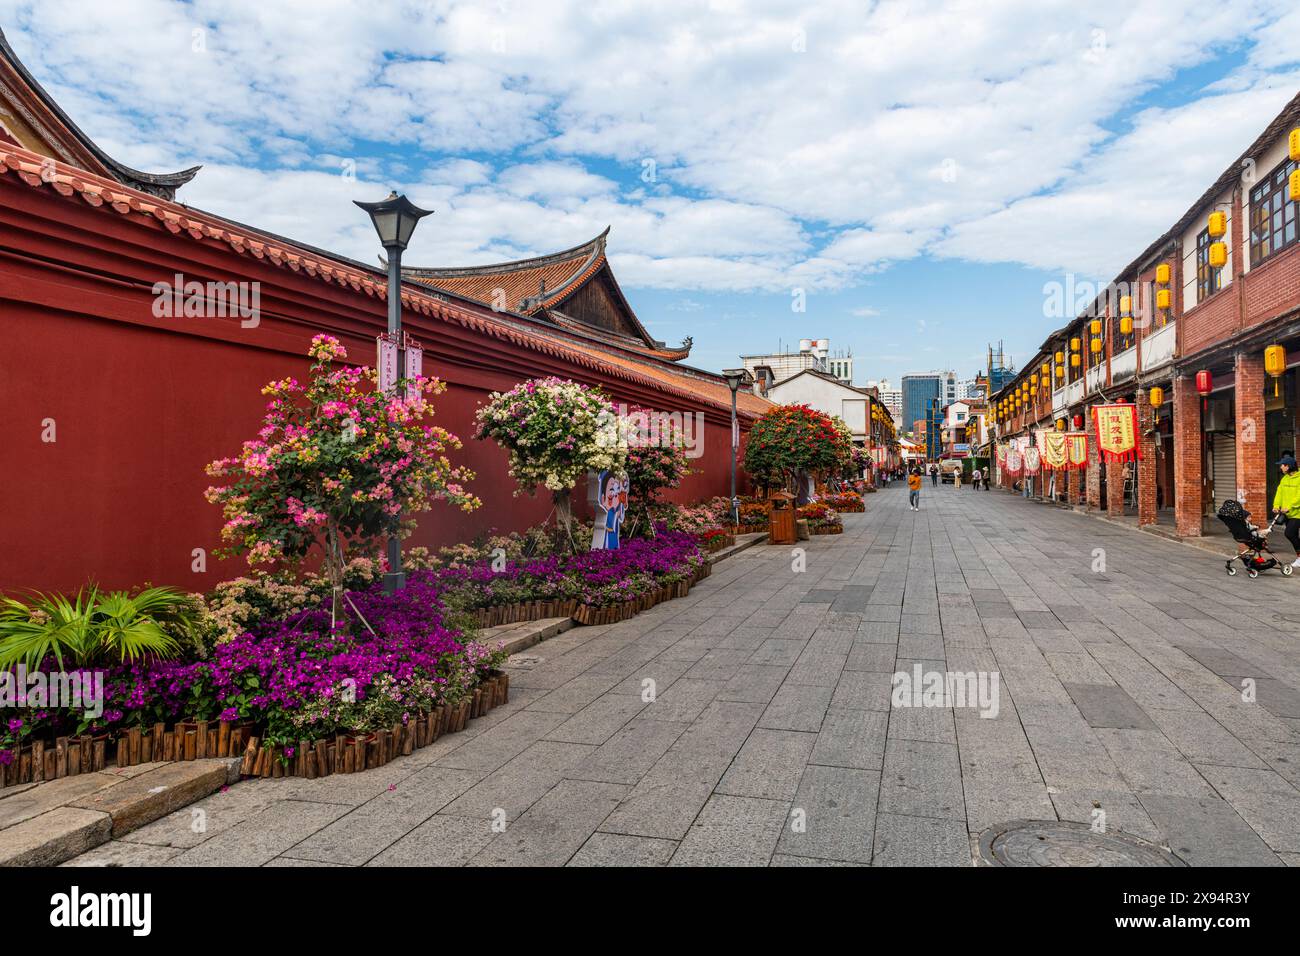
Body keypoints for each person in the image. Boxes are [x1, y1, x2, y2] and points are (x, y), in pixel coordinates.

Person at [1271, 454, 1300, 568]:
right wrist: (1276, 505)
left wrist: (1290, 506)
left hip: (1297, 513)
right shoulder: (1285, 478)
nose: (1281, 467)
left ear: (1289, 466)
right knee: (1292, 534)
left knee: (1289, 533)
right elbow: (1279, 493)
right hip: (1288, 513)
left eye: (1282, 465)